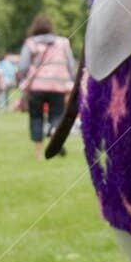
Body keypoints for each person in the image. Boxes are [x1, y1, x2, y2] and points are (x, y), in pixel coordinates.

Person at [18, 14, 76, 158]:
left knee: (36, 117)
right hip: (58, 86)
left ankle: (38, 154)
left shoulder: (30, 43)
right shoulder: (63, 43)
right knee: (56, 116)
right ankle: (53, 138)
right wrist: (72, 82)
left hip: (37, 87)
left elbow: (23, 66)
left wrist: (25, 78)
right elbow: (71, 65)